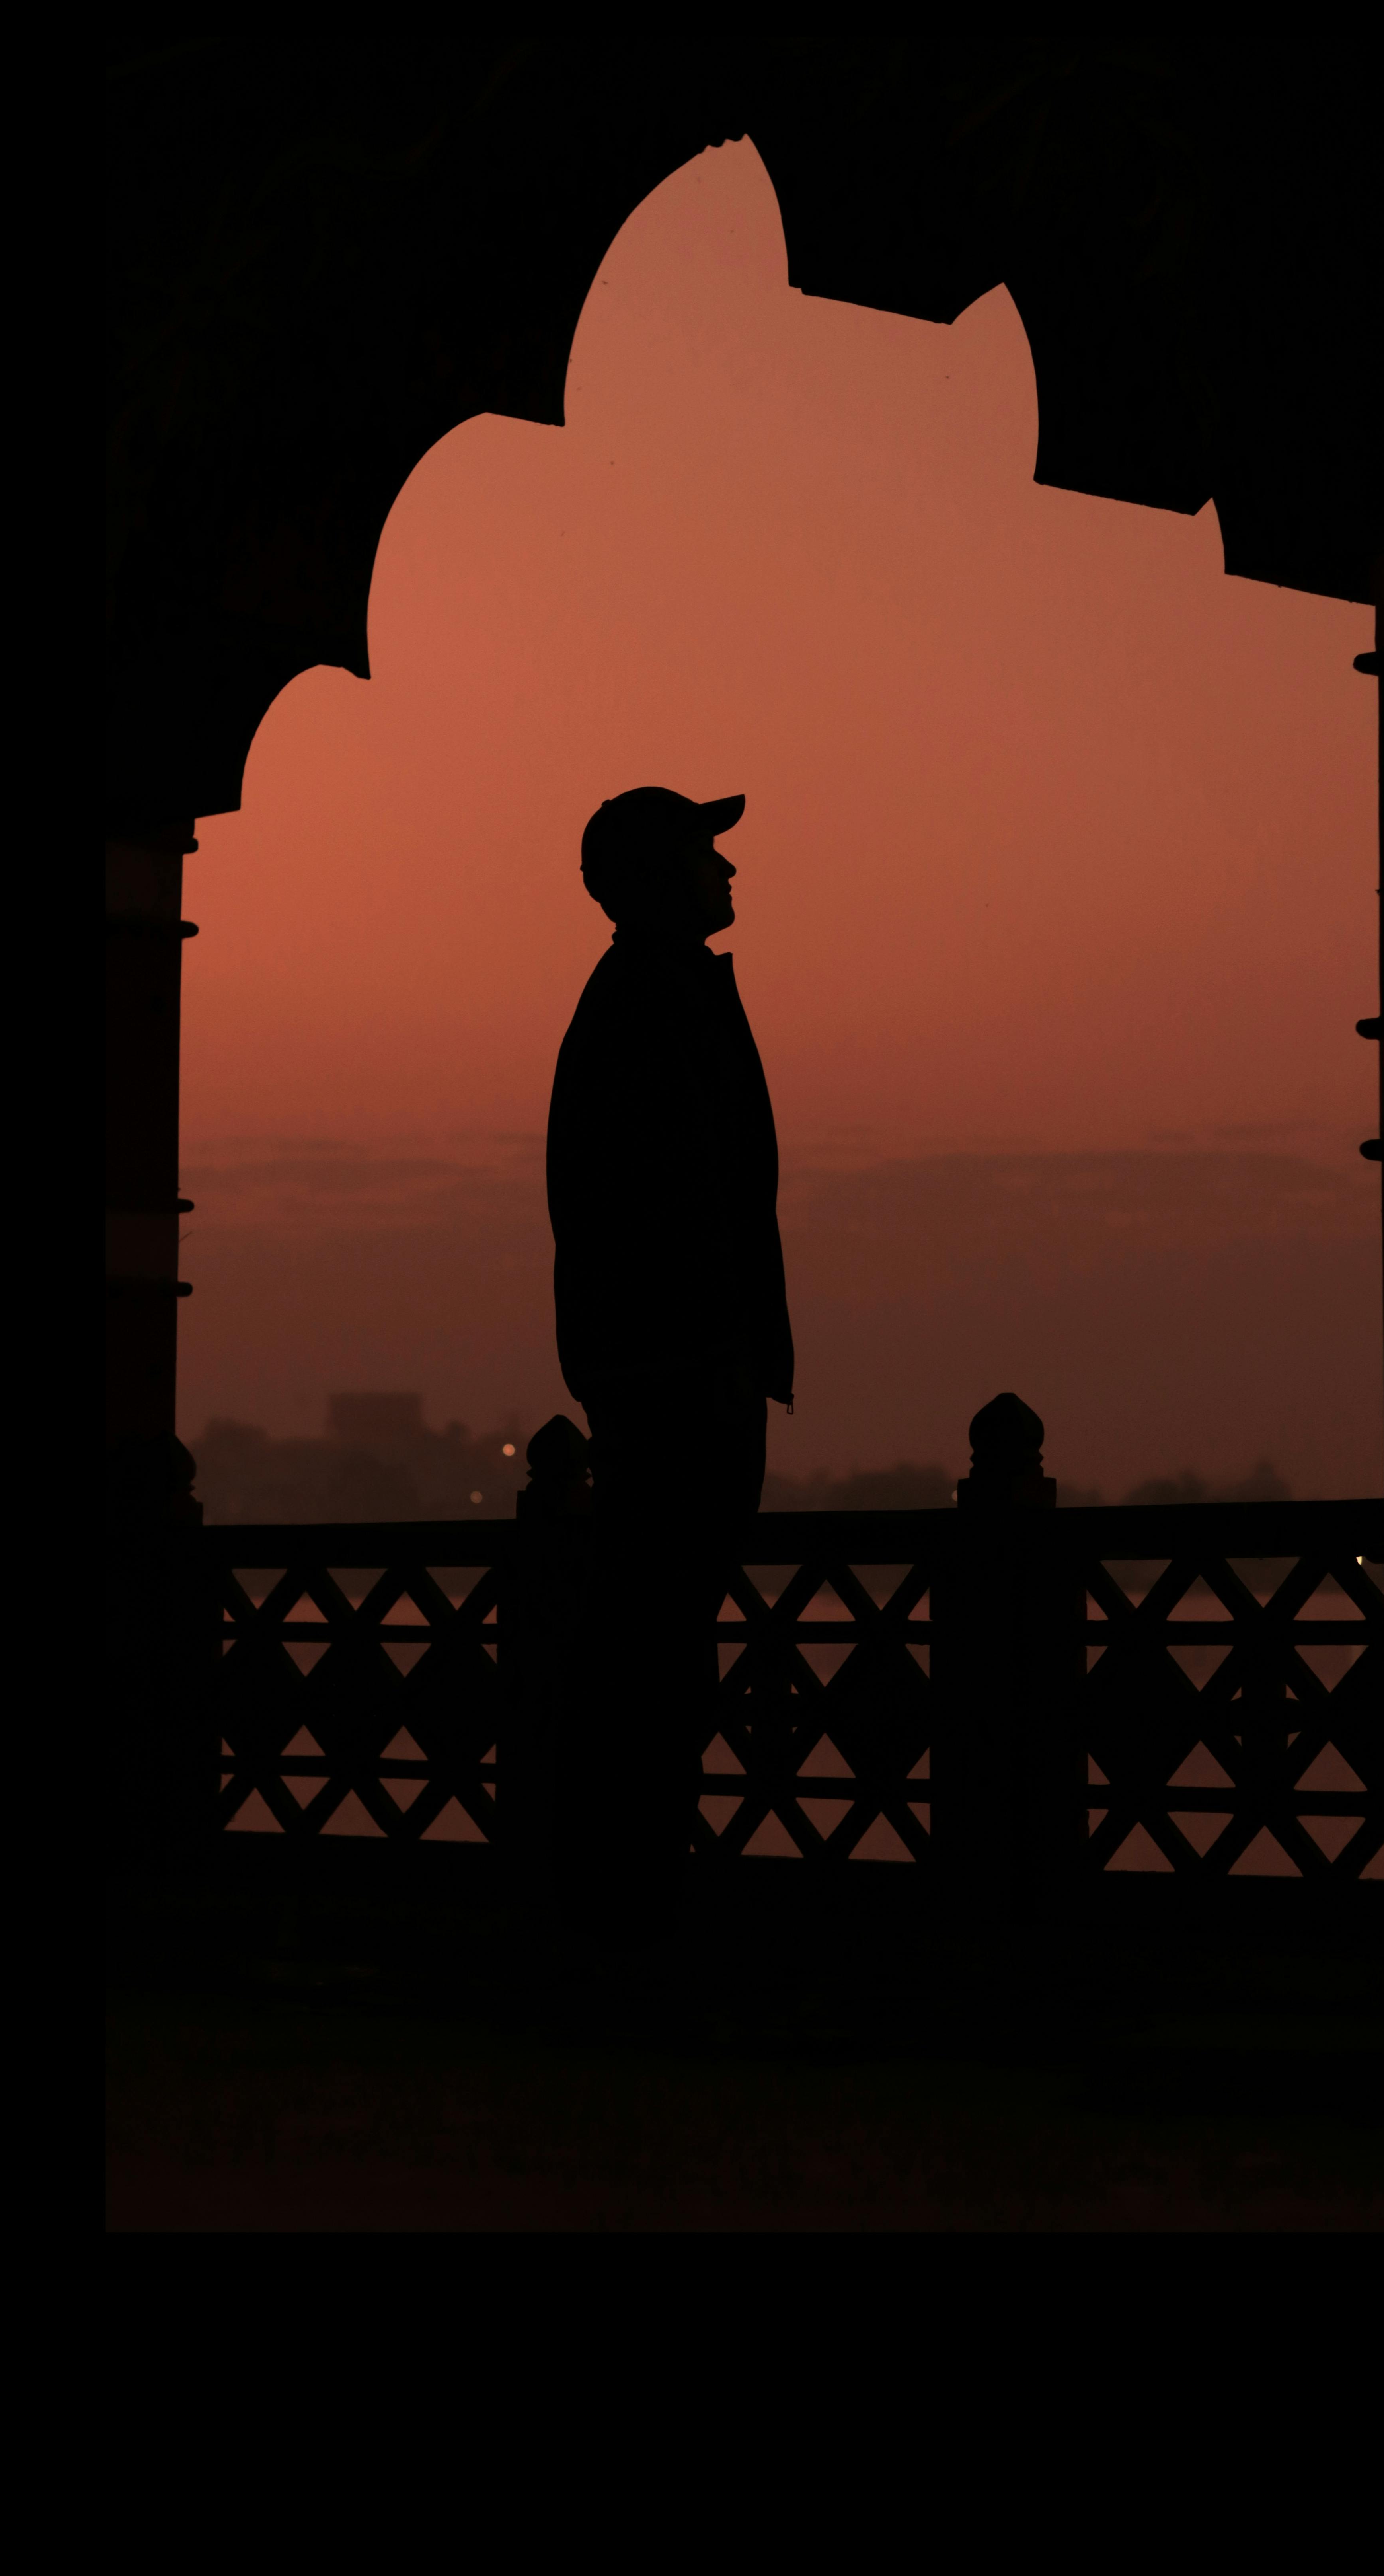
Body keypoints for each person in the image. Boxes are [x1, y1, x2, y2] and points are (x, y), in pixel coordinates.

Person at [545, 787, 794, 1945]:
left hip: (669, 1365)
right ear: (658, 878)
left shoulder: (653, 996)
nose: (728, 873)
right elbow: (682, 1205)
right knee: (653, 1645)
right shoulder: (652, 1004)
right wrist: (717, 1356)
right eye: (707, 854)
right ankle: (625, 1905)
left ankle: (623, 1897)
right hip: (678, 1373)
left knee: (649, 1639)